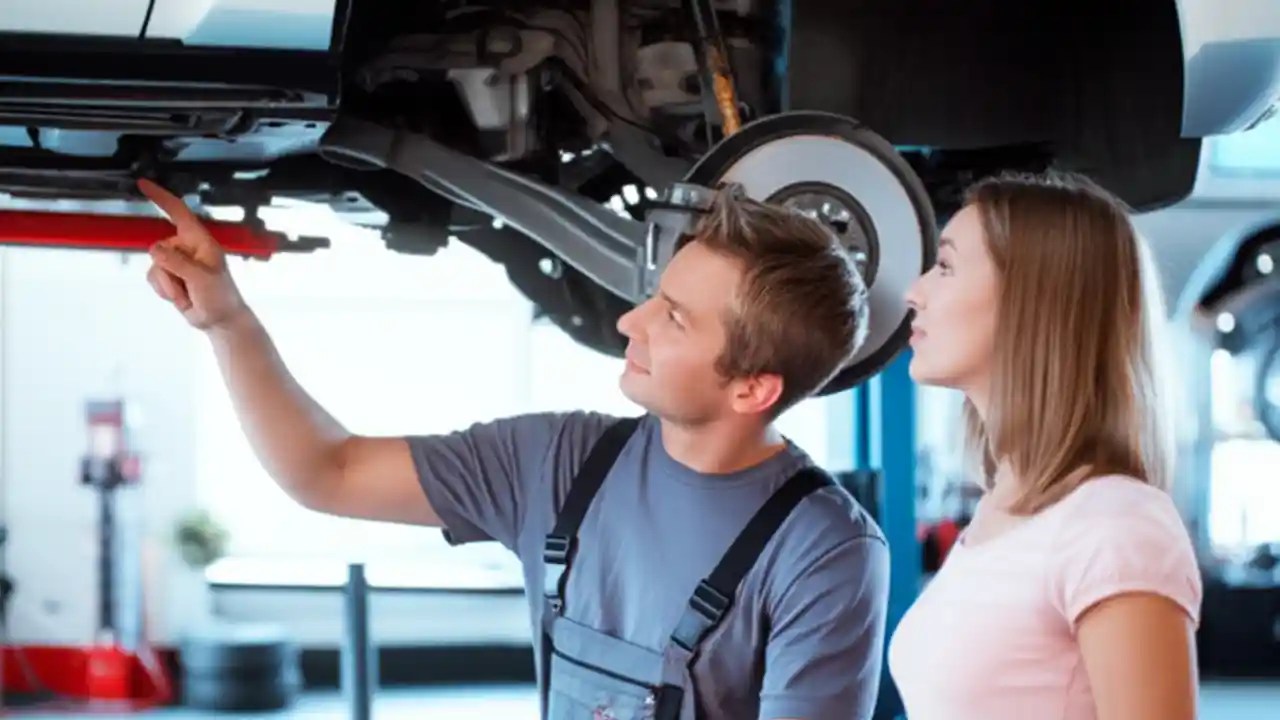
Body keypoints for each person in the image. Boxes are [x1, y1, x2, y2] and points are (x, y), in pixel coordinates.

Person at [138, 178, 890, 720]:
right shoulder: (558, 461)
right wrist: (227, 323)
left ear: (752, 391)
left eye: (675, 319)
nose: (631, 322)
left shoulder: (825, 551)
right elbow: (325, 470)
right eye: (654, 297)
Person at [888, 170, 1202, 720]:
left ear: (1032, 298)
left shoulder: (1113, 524)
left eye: (945, 266)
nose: (915, 292)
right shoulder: (1001, 511)